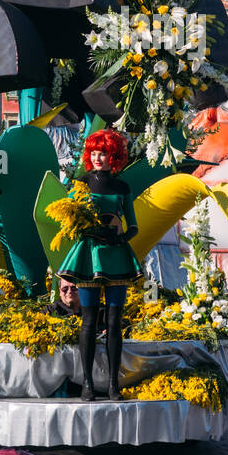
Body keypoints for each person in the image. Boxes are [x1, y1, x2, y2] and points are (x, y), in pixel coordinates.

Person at [55, 130, 141, 401]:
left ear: (113, 155)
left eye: (102, 153)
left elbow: (133, 225)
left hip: (115, 255)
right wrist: (89, 231)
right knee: (89, 321)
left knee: (115, 322)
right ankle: (88, 384)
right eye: (93, 153)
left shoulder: (123, 187)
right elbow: (70, 220)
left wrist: (120, 237)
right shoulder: (80, 183)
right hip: (88, 255)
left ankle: (114, 384)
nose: (97, 158)